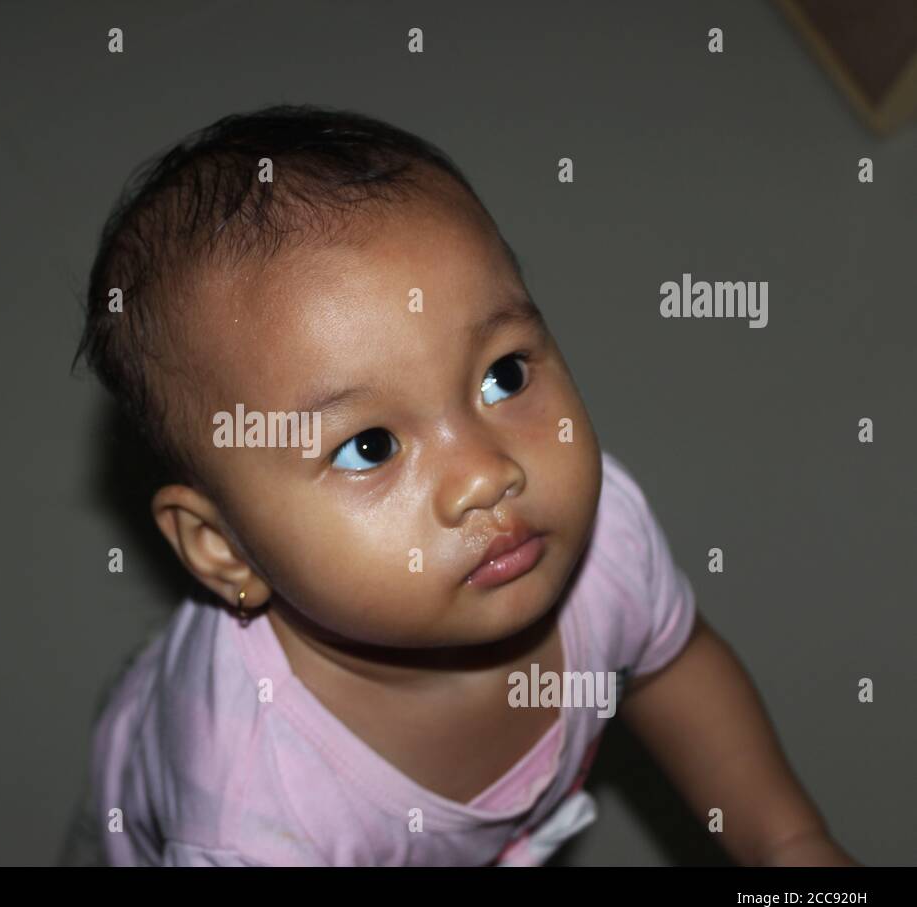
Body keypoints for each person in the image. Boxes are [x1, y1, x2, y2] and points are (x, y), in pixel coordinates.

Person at [66, 104, 856, 866]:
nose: (487, 473)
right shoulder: (252, 818)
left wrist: (790, 845)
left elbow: (670, 662)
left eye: (502, 375)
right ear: (224, 549)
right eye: (369, 446)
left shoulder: (603, 540)